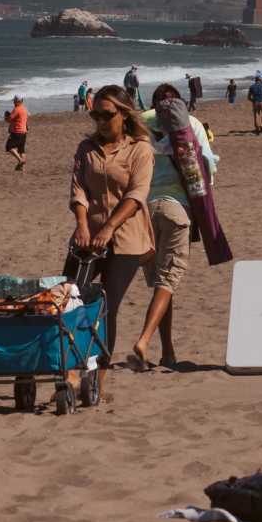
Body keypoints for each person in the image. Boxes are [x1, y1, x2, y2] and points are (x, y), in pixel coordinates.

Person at [126, 84, 218, 371]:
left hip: (142, 211)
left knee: (161, 285)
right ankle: (143, 341)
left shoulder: (140, 123)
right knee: (168, 280)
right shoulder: (190, 123)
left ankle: (167, 352)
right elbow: (208, 168)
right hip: (176, 209)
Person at [68, 85, 155, 374]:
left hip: (126, 240)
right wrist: (82, 224)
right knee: (68, 297)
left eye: (107, 115)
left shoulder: (140, 150)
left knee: (107, 304)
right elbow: (78, 189)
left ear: (124, 114)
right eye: (96, 116)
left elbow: (136, 195)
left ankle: (99, 376)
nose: (101, 122)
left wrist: (109, 228)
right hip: (87, 237)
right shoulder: (86, 148)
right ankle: (71, 366)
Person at [4, 94, 30, 171]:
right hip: (24, 131)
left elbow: (9, 120)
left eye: (14, 101)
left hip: (16, 132)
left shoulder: (17, 109)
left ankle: (20, 160)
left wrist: (6, 116)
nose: (14, 103)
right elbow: (21, 119)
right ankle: (22, 167)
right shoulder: (25, 109)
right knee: (21, 150)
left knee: (9, 147)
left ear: (18, 101)